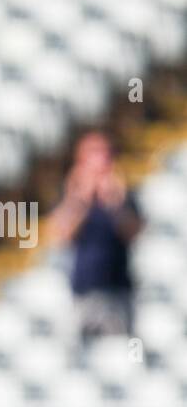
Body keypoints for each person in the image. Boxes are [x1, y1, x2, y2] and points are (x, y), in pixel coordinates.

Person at [50, 130, 143, 344]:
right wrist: (81, 199)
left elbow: (134, 233)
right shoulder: (71, 194)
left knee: (121, 351)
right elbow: (61, 235)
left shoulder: (124, 194)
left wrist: (114, 202)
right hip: (82, 291)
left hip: (118, 292)